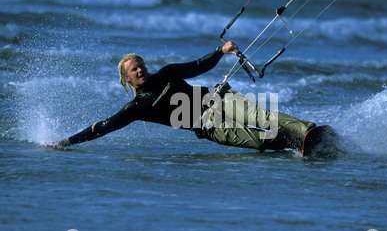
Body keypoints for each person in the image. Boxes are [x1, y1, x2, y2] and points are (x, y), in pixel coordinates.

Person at [46, 41, 316, 152]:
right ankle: (302, 143)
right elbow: (104, 127)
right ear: (126, 79)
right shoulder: (138, 107)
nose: (140, 70)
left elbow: (197, 66)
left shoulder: (167, 73)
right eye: (133, 69)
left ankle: (306, 130)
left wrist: (220, 51)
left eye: (140, 65)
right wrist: (68, 141)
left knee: (261, 116)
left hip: (218, 99)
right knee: (259, 141)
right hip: (209, 127)